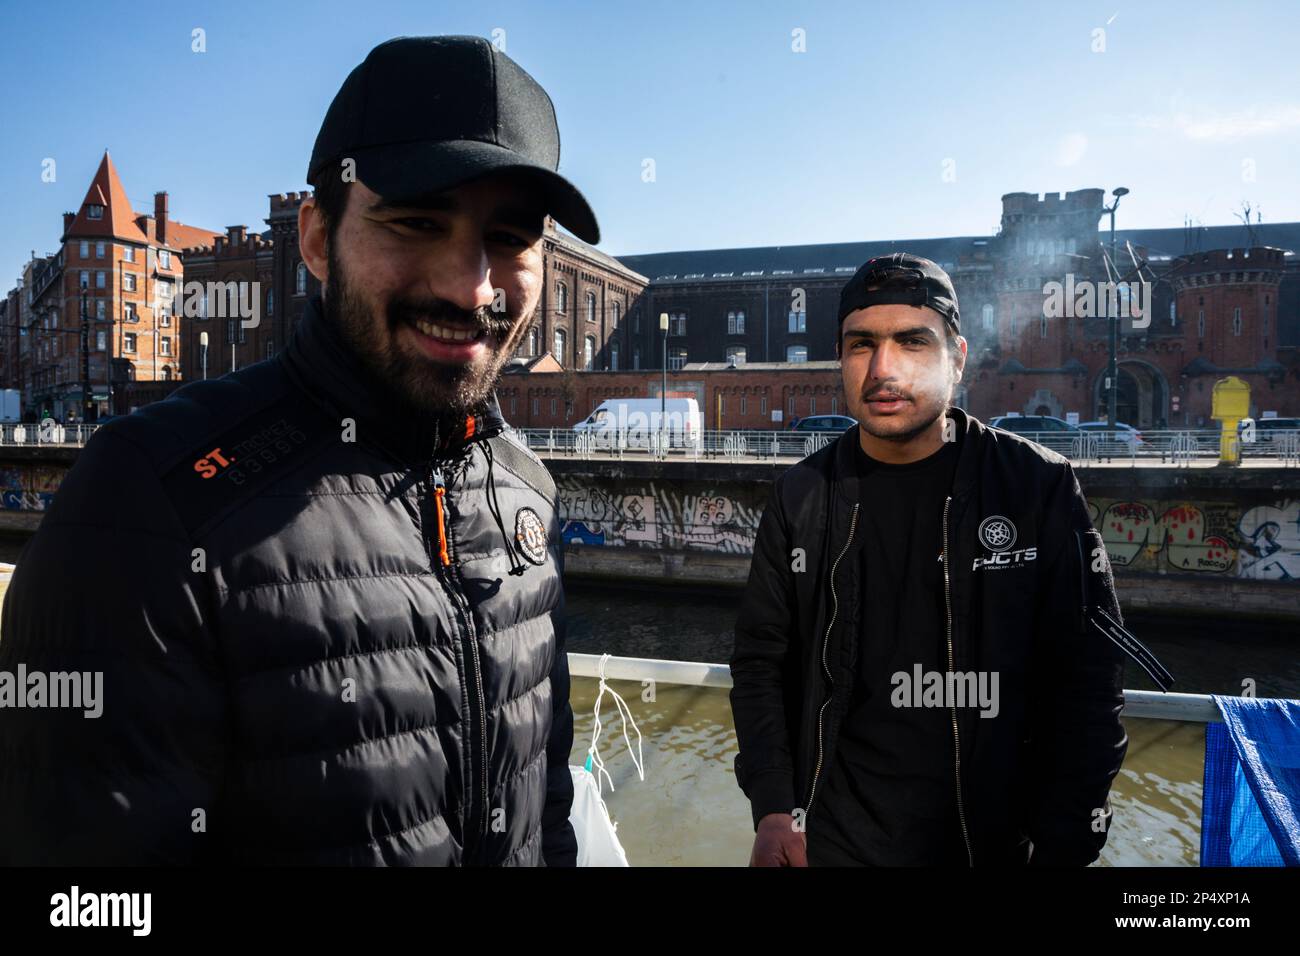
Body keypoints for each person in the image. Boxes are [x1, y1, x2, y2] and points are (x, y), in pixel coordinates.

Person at [0, 35, 601, 866]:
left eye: (510, 238)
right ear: (317, 239)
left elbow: (551, 816)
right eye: (417, 222)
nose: (472, 287)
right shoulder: (148, 504)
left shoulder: (526, 493)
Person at [731, 253, 1168, 867]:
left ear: (957, 357)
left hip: (987, 844)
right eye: (861, 345)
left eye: (912, 342)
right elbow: (760, 665)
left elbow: (1089, 683)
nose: (883, 368)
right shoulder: (801, 495)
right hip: (832, 841)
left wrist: (1067, 843)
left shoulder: (1034, 486)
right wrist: (775, 806)